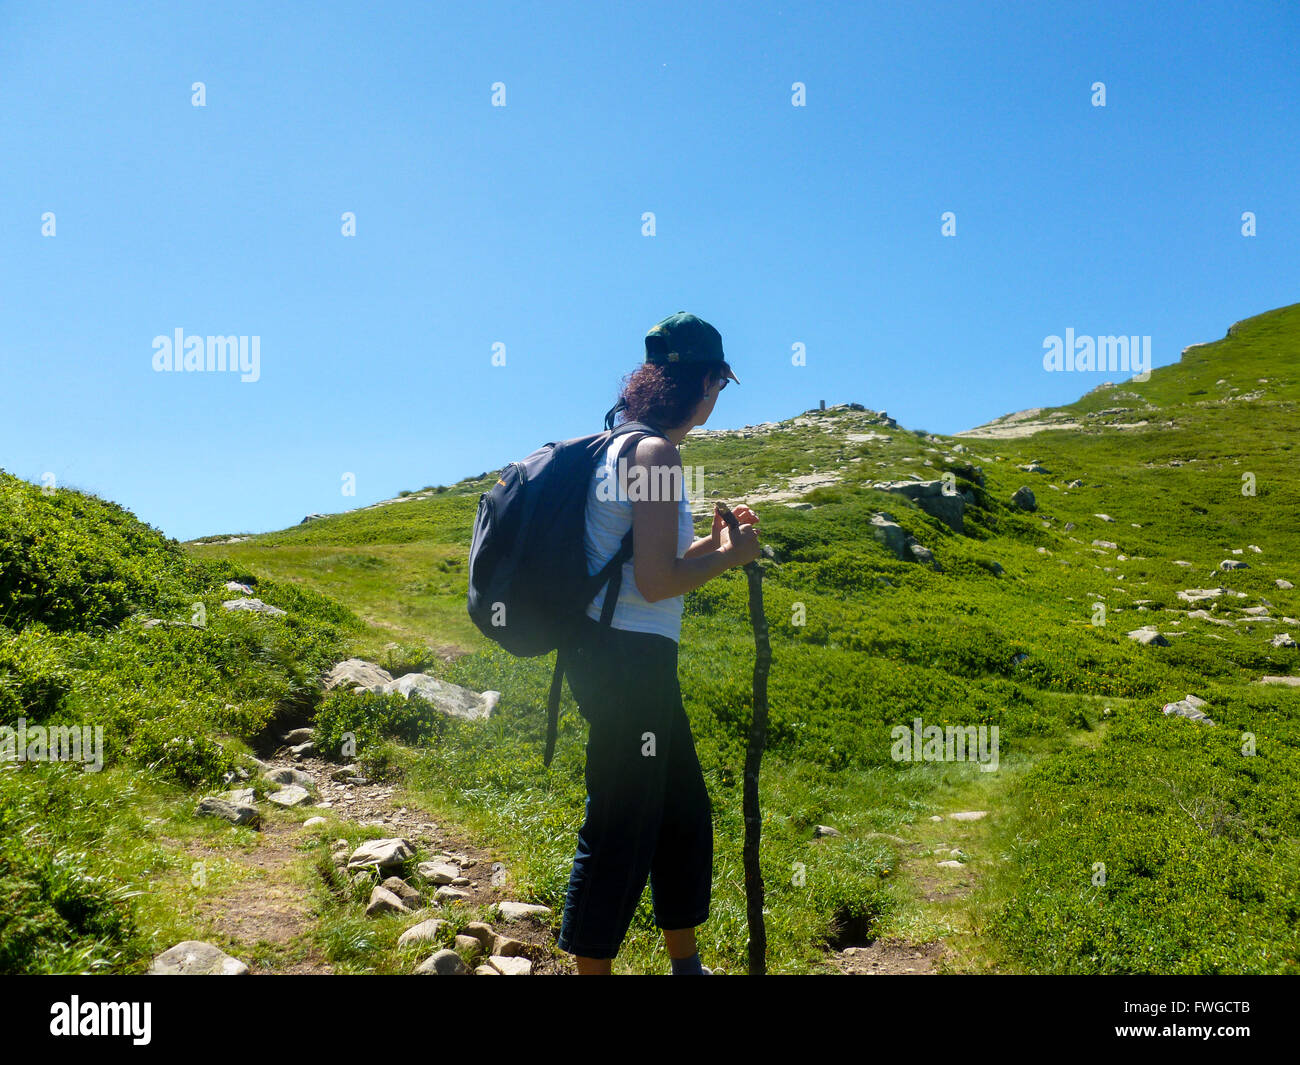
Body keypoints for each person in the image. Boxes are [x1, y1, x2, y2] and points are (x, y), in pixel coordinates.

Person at [556, 312, 761, 975]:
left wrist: (717, 545)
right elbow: (656, 578)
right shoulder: (656, 455)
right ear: (705, 380)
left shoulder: (621, 446)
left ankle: (686, 964)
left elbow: (648, 568)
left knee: (680, 812)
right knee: (621, 818)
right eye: (719, 385)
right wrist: (733, 559)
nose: (716, 399)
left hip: (618, 656)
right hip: (628, 665)